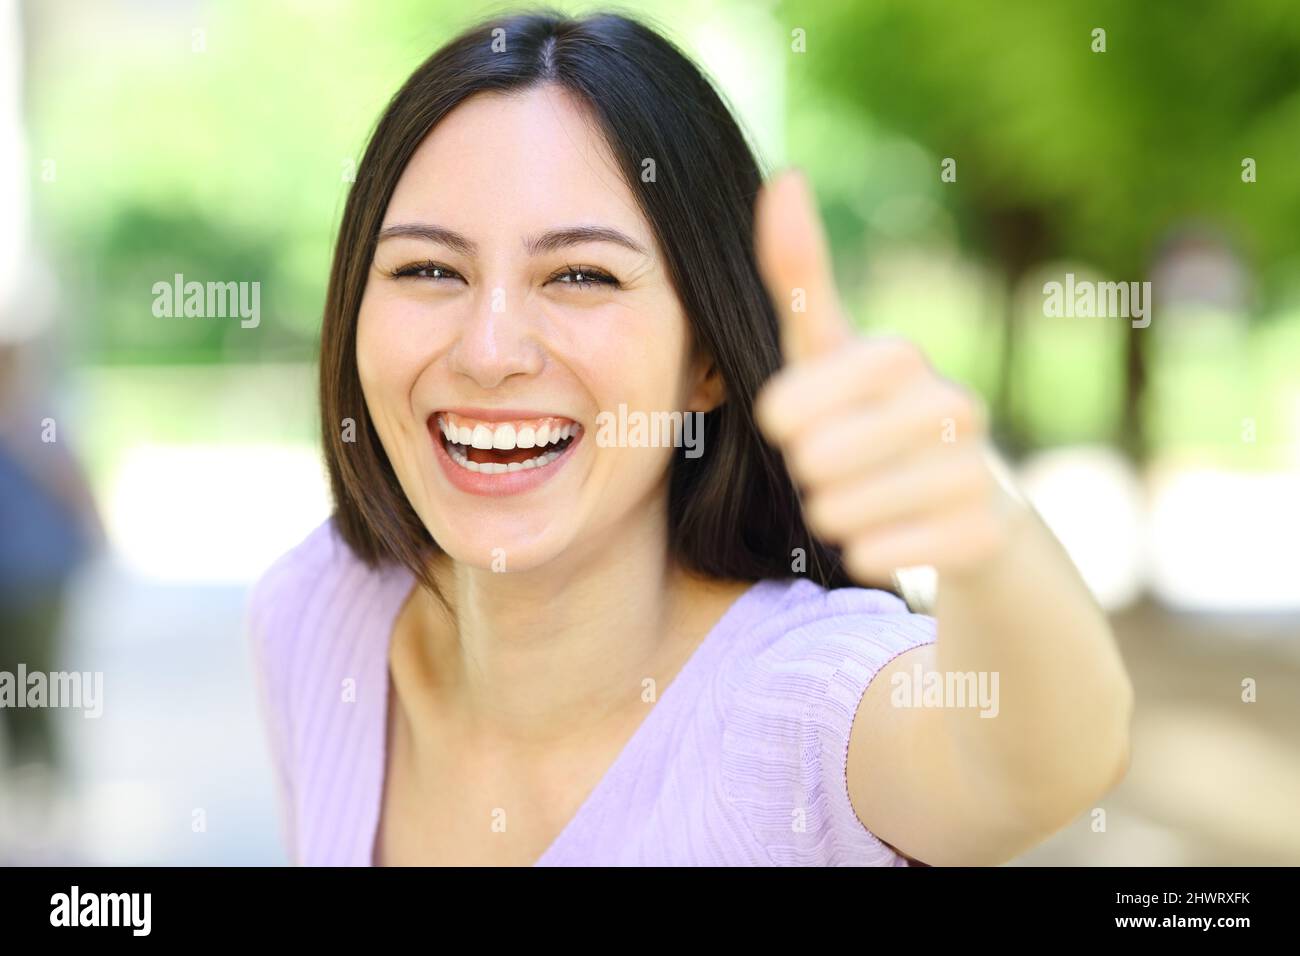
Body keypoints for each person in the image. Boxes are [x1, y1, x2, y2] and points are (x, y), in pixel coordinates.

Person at [246, 10, 1132, 866]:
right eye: (428, 268)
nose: (489, 352)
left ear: (706, 359)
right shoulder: (319, 615)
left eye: (581, 275)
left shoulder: (798, 707)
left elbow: (1035, 771)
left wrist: (987, 533)